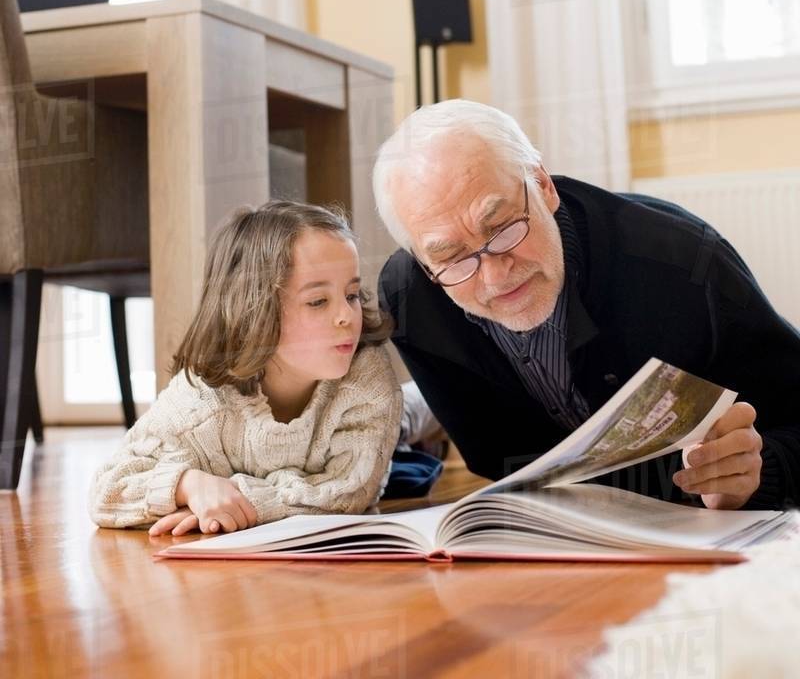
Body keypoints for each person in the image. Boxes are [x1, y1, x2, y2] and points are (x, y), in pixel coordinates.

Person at [374, 100, 800, 511]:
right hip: (561, 539)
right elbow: (494, 460)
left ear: (543, 186)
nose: (495, 276)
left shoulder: (682, 260)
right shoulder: (410, 299)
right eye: (452, 258)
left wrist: (759, 475)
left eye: (502, 228)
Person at [89, 200, 402, 535]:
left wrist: (236, 502)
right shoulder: (199, 403)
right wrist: (189, 485)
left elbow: (348, 489)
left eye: (352, 295)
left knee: (412, 415)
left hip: (389, 433)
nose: (347, 316)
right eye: (318, 301)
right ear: (253, 308)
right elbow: (107, 490)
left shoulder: (367, 375)